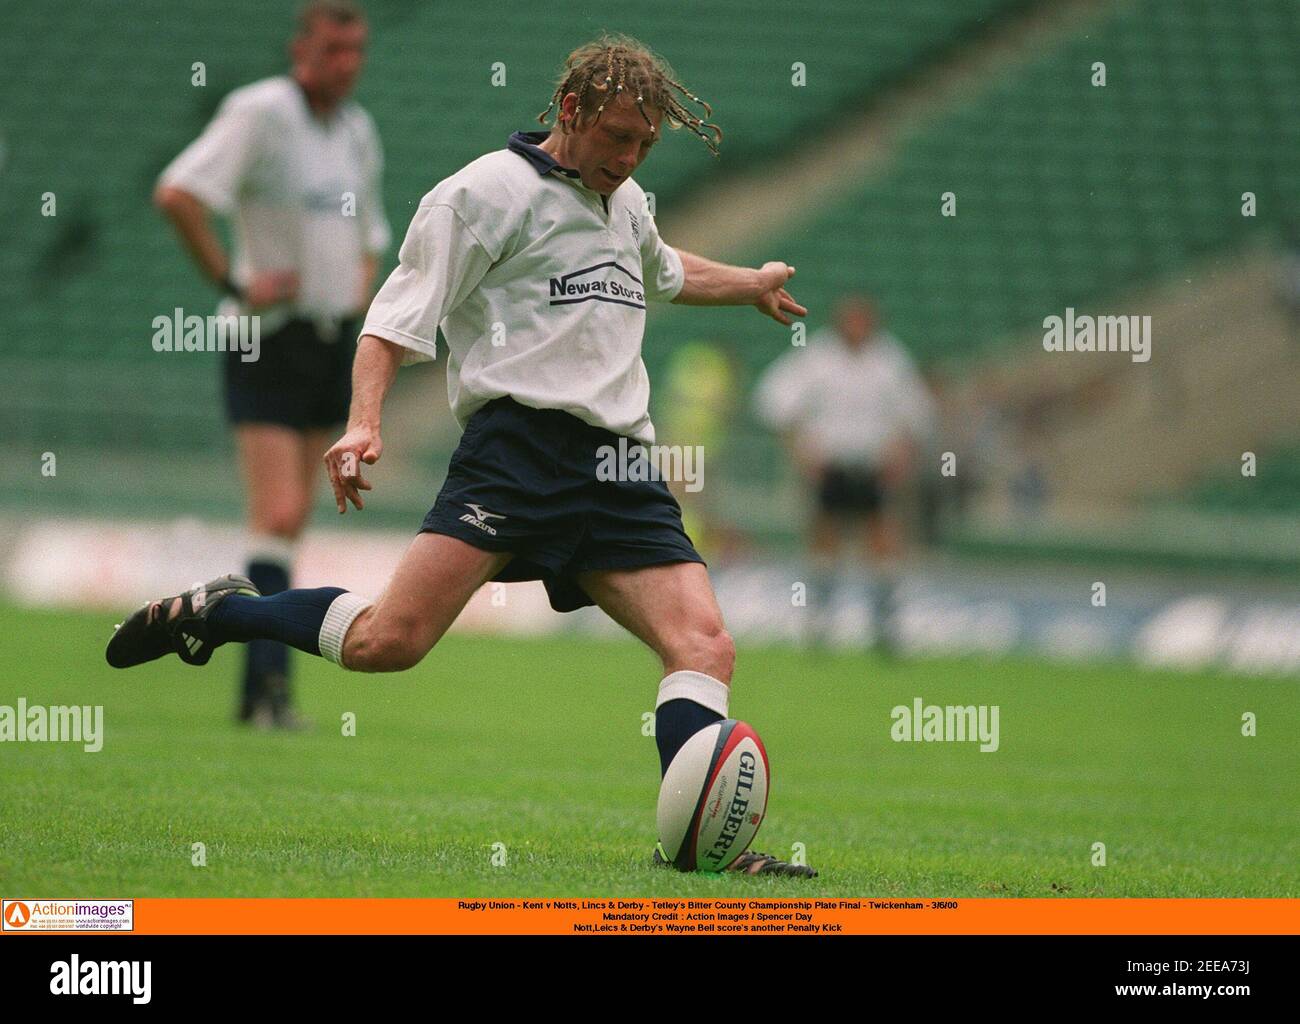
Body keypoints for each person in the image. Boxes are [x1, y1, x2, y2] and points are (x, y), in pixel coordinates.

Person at [111, 35, 814, 877]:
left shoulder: (625, 201)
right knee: (388, 642)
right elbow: (391, 320)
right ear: (568, 113)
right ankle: (224, 612)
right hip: (516, 455)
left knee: (704, 646)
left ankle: (700, 851)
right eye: (617, 138)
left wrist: (749, 283)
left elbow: (661, 271)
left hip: (622, 465)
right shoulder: (480, 195)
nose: (629, 159)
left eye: (644, 145)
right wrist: (363, 423)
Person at [153, 0, 389, 727]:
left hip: (327, 338)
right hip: (265, 335)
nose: (345, 63)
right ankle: (261, 683)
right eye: (333, 48)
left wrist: (356, 302)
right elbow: (178, 193)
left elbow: (371, 233)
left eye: (356, 50)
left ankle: (264, 691)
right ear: (303, 47)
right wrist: (233, 282)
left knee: (291, 526)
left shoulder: (355, 129)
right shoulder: (260, 111)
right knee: (277, 511)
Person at [755, 295, 936, 650]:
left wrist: (900, 453)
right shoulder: (818, 358)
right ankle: (819, 622)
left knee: (881, 539)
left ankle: (885, 625)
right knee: (825, 539)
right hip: (831, 465)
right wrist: (801, 449)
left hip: (873, 467)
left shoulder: (889, 359)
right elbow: (773, 400)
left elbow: (917, 414)